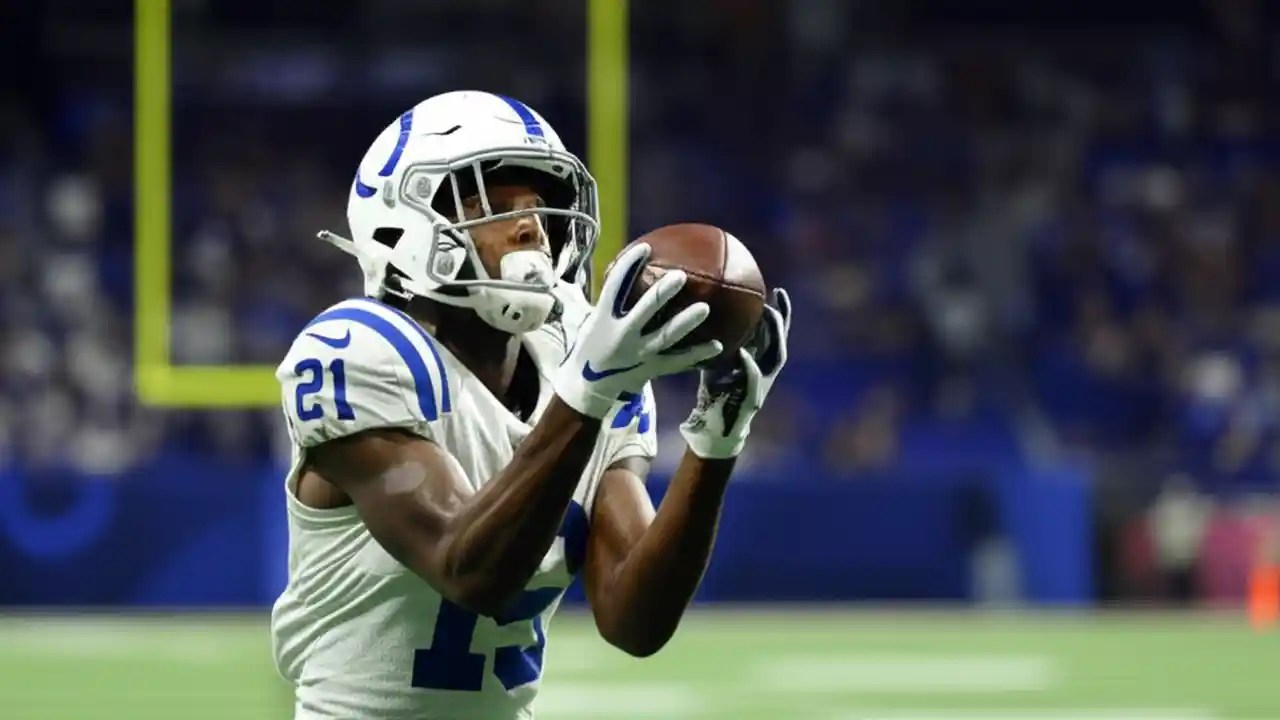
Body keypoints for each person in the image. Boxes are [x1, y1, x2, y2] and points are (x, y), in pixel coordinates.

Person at [270, 90, 791, 719]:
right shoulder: (363, 354)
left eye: (540, 204)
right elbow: (468, 571)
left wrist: (715, 444)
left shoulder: (580, 349)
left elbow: (634, 619)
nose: (530, 225)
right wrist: (589, 390)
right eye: (487, 202)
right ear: (403, 224)